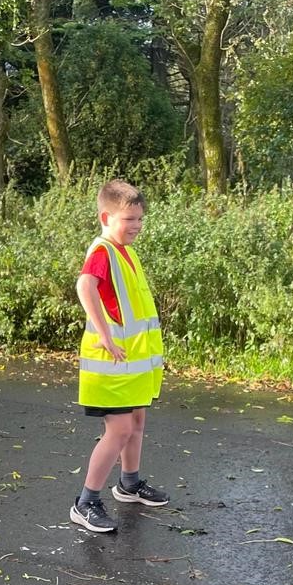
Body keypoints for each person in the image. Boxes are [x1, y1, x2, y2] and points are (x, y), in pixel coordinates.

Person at [69, 179, 169, 533]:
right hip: (110, 364)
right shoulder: (103, 251)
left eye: (140, 219)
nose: (136, 226)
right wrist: (106, 335)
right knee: (120, 429)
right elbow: (85, 286)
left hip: (133, 363)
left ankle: (129, 484)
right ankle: (86, 502)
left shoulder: (125, 250)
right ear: (105, 216)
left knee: (137, 423)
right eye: (129, 219)